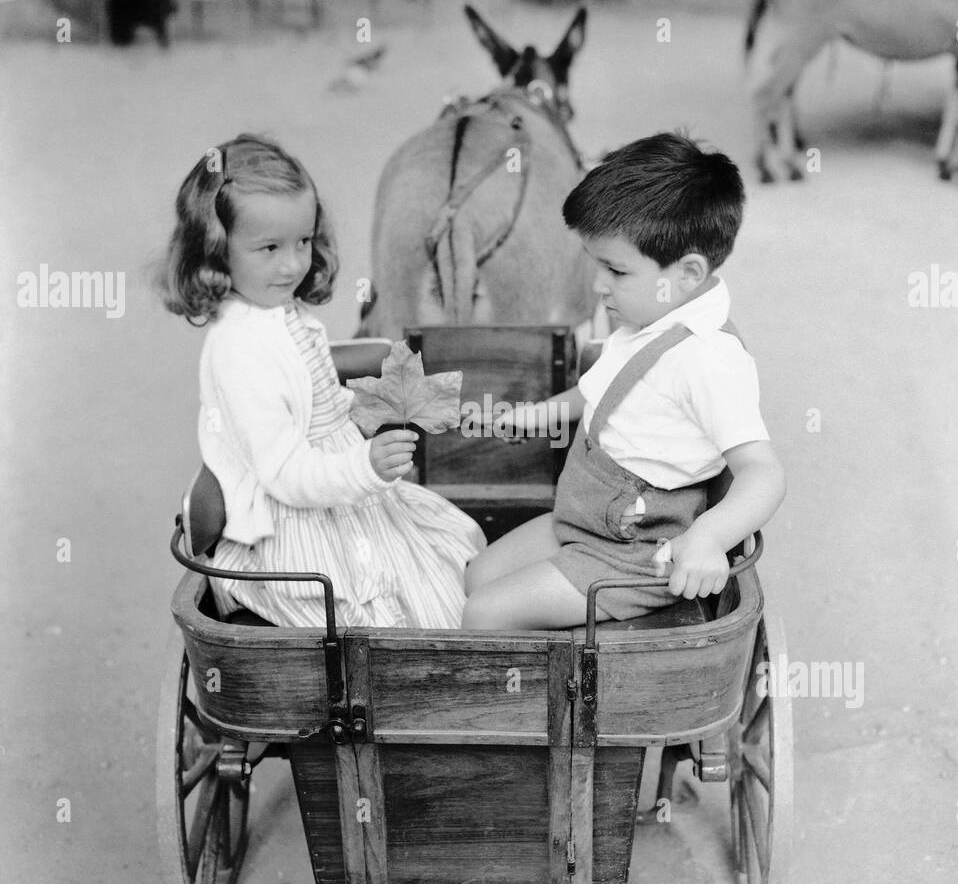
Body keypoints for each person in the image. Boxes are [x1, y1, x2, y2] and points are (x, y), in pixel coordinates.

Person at [159, 133, 484, 630]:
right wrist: (364, 466)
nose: (293, 263)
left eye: (303, 241)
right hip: (293, 522)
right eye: (269, 247)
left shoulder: (278, 314)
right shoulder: (240, 348)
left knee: (445, 549)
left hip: (329, 487)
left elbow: (318, 401)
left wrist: (372, 408)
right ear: (217, 250)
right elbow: (286, 472)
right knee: (403, 603)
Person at [463, 131, 785, 630]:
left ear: (687, 272)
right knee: (477, 577)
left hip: (631, 554)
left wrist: (708, 537)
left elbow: (763, 473)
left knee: (485, 614)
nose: (598, 285)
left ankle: (521, 699)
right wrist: (529, 417)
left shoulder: (709, 360)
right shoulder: (648, 319)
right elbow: (603, 393)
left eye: (615, 270)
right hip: (583, 520)